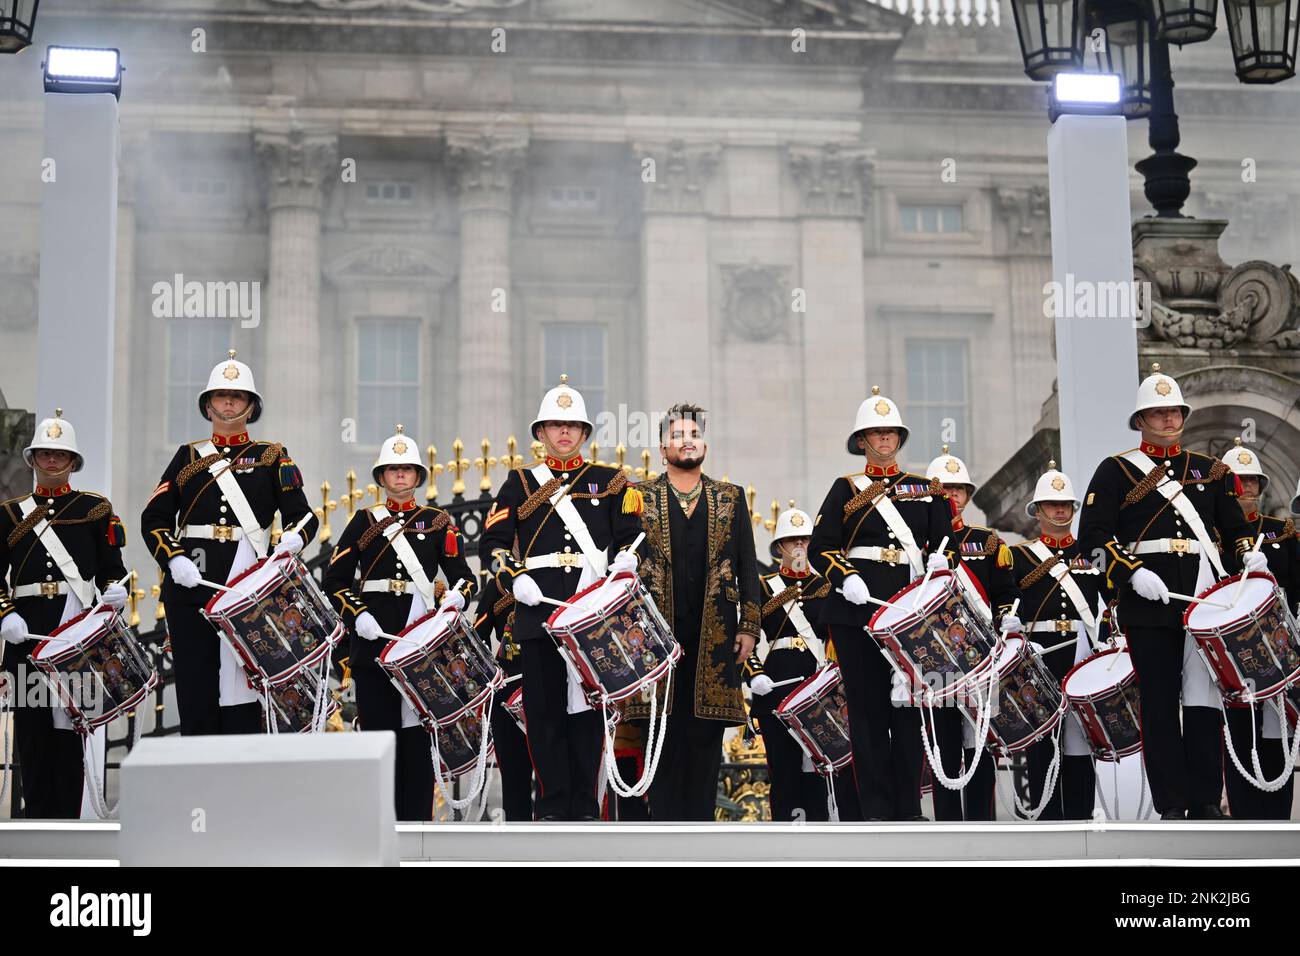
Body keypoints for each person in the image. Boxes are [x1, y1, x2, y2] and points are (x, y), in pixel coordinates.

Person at [1077, 364, 1260, 820]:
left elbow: (1235, 531)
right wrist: (1129, 573)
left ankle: (1204, 800)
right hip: (1148, 601)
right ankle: (1171, 803)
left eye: (1173, 412)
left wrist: (1249, 559)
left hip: (1203, 599)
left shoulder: (1210, 471)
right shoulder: (1115, 471)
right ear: (1140, 420)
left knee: (1202, 702)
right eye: (1157, 413)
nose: (1167, 420)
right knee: (1159, 704)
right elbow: (1093, 541)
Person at [478, 375, 643, 821]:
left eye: (572, 425)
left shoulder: (612, 482)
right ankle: (551, 805)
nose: (564, 432)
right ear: (541, 433)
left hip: (590, 616)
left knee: (589, 715)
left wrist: (626, 563)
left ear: (585, 434)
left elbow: (633, 539)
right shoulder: (518, 483)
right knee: (545, 714)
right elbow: (492, 546)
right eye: (555, 425)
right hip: (537, 612)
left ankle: (586, 806)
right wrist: (513, 579)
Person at [140, 350, 319, 735]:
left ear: (251, 406)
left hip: (247, 583)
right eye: (220, 395)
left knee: (246, 684)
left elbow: (304, 516)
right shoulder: (187, 456)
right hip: (191, 585)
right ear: (207, 405)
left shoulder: (272, 457)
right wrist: (173, 559)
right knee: (195, 686)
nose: (228, 402)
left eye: (237, 396)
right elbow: (153, 519)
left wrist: (291, 540)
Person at [808, 387, 952, 820]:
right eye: (876, 432)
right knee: (868, 712)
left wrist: (944, 559)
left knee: (909, 712)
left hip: (909, 615)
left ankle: (908, 805)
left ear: (899, 438)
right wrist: (844, 576)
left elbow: (946, 544)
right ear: (862, 441)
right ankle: (874, 807)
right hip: (856, 612)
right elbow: (820, 548)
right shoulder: (845, 488)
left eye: (891, 432)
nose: (885, 439)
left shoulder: (928, 489)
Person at [321, 425, 476, 821]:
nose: (401, 475)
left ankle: (419, 825)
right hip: (374, 644)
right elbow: (335, 579)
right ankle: (382, 825)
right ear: (382, 477)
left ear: (418, 476)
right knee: (381, 736)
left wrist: (458, 595)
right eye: (393, 469)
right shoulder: (362, 520)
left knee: (420, 738)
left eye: (408, 469)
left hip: (420, 646)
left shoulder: (438, 521)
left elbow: (463, 575)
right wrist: (359, 616)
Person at [628, 403, 761, 821]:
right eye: (678, 434)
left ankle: (702, 830)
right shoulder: (640, 497)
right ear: (662, 445)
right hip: (657, 634)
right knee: (660, 730)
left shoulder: (730, 497)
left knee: (705, 732)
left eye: (695, 434)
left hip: (716, 633)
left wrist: (750, 627)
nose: (688, 440)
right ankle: (664, 830)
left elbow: (747, 565)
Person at [0, 409, 128, 818]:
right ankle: (36, 827)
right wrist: (5, 614)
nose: (52, 461)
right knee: (34, 739)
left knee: (72, 736)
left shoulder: (95, 509)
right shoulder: (9, 514)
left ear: (73, 462)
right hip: (27, 635)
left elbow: (113, 568)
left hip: (77, 635)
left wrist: (115, 592)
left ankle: (68, 830)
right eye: (45, 454)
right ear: (33, 459)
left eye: (60, 455)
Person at [744, 506, 859, 821]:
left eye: (805, 540)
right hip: (777, 684)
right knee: (784, 768)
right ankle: (786, 832)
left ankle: (821, 830)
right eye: (791, 540)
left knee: (821, 766)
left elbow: (839, 637)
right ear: (778, 545)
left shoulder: (827, 586)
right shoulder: (764, 586)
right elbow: (744, 636)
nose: (798, 546)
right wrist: (754, 674)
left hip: (818, 683)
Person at [923, 445, 1018, 821]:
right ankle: (947, 823)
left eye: (958, 489)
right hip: (936, 659)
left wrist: (1008, 619)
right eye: (943, 489)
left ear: (967, 495)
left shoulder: (989, 542)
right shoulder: (920, 544)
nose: (951, 496)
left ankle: (982, 822)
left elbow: (1006, 594)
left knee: (979, 743)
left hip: (981, 658)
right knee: (943, 743)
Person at [1004, 461, 1103, 819]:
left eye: (1066, 505)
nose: (1060, 510)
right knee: (1042, 742)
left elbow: (1112, 603)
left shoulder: (1094, 553)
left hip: (1081, 655)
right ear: (1038, 511)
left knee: (1079, 743)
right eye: (1052, 504)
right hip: (1039, 657)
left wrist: (1108, 640)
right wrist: (1009, 623)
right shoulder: (1017, 557)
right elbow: (1004, 600)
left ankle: (1080, 817)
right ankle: (1046, 819)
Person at [1220, 438, 1297, 820]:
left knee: (1278, 732)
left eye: (1252, 482)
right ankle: (1244, 818)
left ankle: (1277, 818)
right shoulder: (1213, 537)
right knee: (1237, 733)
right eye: (1238, 481)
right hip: (1233, 654)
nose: (1246, 489)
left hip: (1277, 649)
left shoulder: (1282, 532)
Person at [472, 573, 533, 821]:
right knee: (514, 775)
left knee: (551, 773)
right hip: (507, 689)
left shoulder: (550, 577)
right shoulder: (497, 586)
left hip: (549, 684)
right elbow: (477, 636)